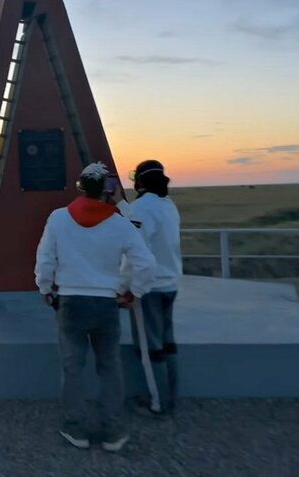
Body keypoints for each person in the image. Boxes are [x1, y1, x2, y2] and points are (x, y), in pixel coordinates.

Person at [35, 162, 156, 452]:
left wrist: (45, 288)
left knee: (72, 368)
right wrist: (134, 292)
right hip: (106, 303)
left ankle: (75, 427)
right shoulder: (120, 224)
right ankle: (112, 430)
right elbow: (146, 264)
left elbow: (45, 259)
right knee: (110, 367)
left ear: (81, 187)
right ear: (108, 190)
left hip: (70, 303)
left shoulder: (58, 218)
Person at [114, 159, 182, 418]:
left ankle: (158, 404)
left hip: (148, 289)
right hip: (170, 285)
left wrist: (126, 289)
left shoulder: (141, 208)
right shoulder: (168, 205)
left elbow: (135, 255)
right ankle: (170, 396)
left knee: (150, 348)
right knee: (167, 344)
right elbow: (140, 222)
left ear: (139, 181)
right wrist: (120, 203)